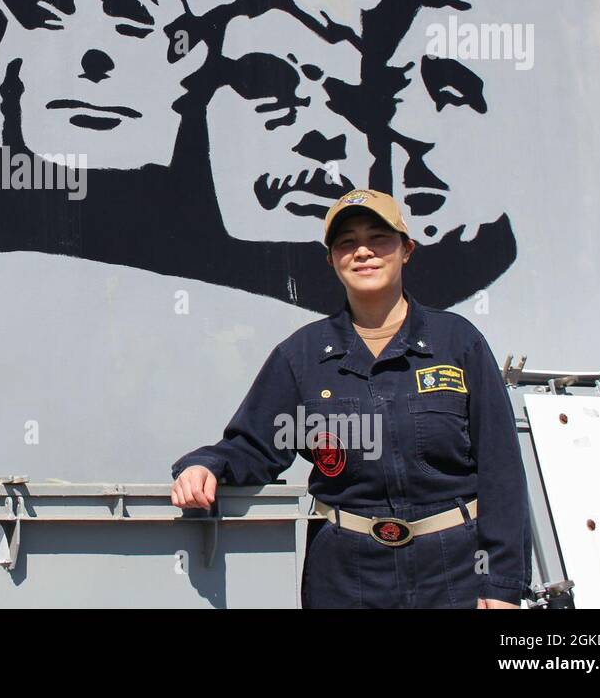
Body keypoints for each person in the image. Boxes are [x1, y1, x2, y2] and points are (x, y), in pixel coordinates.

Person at [171, 188, 531, 608]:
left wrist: (502, 584)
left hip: (454, 574)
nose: (363, 251)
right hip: (346, 578)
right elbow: (255, 447)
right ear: (332, 260)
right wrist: (207, 464)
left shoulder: (457, 343)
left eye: (379, 238)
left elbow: (500, 468)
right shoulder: (302, 356)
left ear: (406, 249)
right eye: (347, 242)